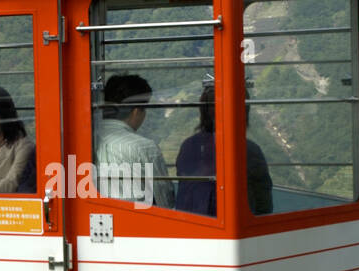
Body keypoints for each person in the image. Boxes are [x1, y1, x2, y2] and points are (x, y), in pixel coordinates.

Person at [175, 84, 273, 216]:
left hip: (193, 226)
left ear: (203, 112)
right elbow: (264, 204)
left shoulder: (188, 146)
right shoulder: (249, 150)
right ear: (243, 113)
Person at [95, 74, 173, 208]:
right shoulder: (145, 147)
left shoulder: (89, 139)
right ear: (136, 112)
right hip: (136, 222)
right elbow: (164, 200)